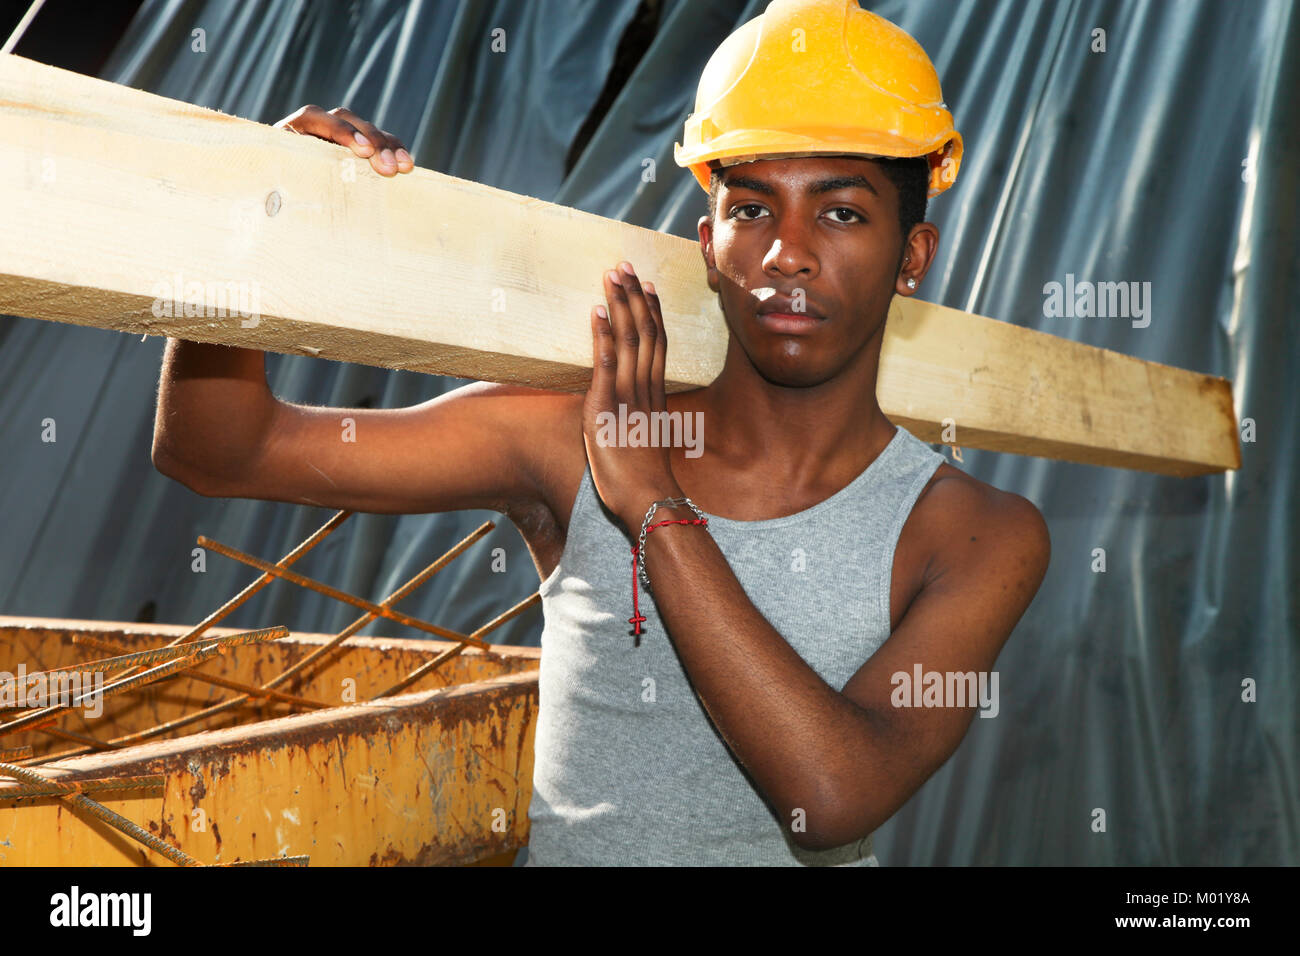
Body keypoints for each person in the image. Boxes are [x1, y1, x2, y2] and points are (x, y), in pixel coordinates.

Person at [152, 0, 1050, 866]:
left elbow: (832, 796)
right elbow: (218, 449)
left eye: (842, 211)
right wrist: (252, 220)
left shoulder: (974, 532)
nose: (788, 251)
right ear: (708, 242)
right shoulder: (570, 440)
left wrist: (650, 500)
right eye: (752, 208)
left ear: (913, 256)